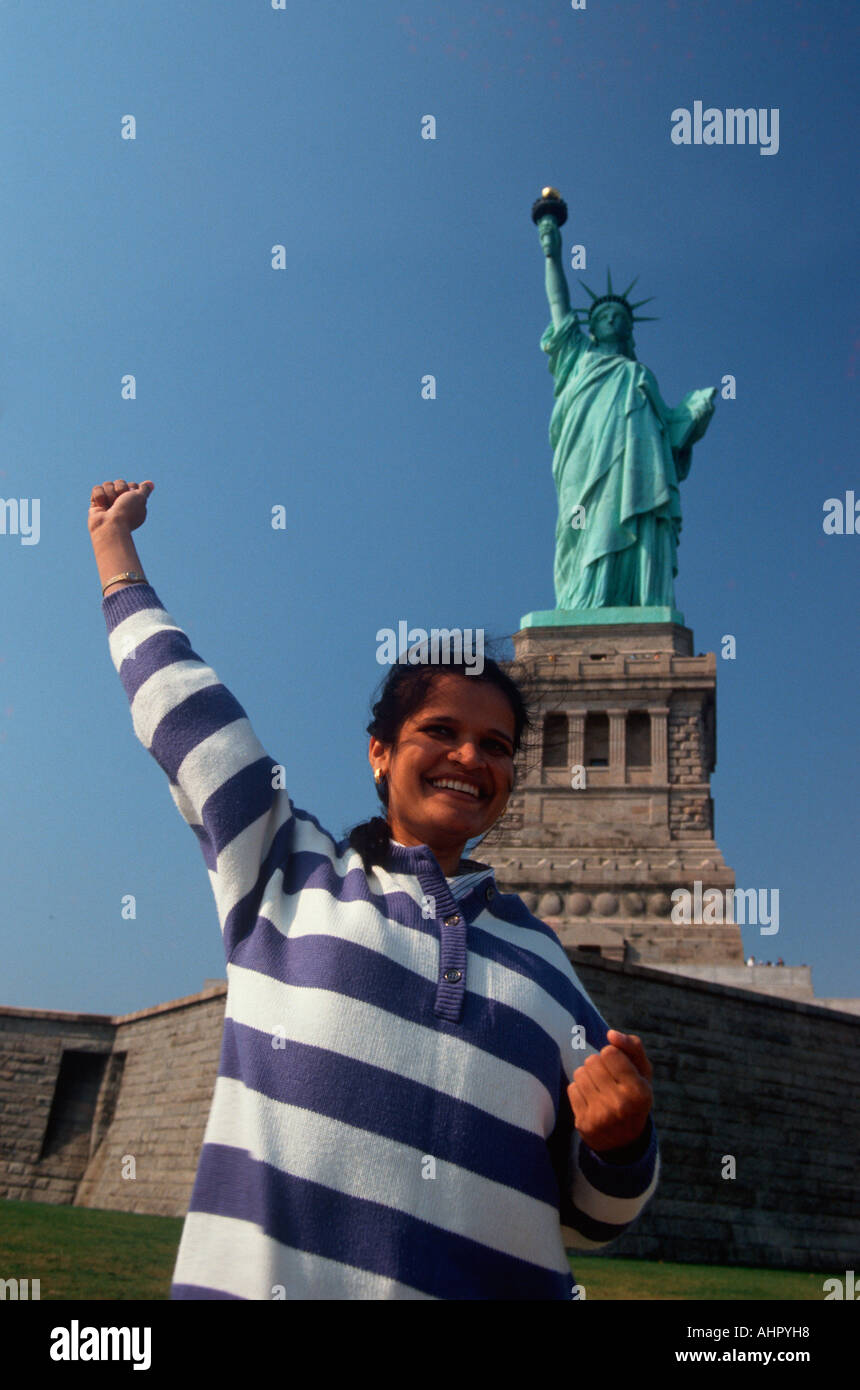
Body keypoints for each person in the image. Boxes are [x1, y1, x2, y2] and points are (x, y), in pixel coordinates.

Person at [88, 477, 660, 1301]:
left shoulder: (549, 969)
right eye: (441, 731)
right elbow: (187, 717)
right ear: (380, 752)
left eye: (495, 745)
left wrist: (622, 1138)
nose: (470, 758)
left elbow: (599, 1217)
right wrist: (115, 552)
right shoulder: (285, 869)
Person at [537, 216, 716, 610]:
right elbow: (558, 307)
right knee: (584, 524)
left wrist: (694, 418)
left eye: (621, 316)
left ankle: (637, 598)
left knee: (637, 510)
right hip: (585, 460)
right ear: (594, 329)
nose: (613, 319)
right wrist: (552, 254)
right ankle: (583, 601)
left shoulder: (640, 375)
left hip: (637, 465)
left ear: (629, 330)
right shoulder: (578, 357)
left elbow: (669, 436)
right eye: (603, 317)